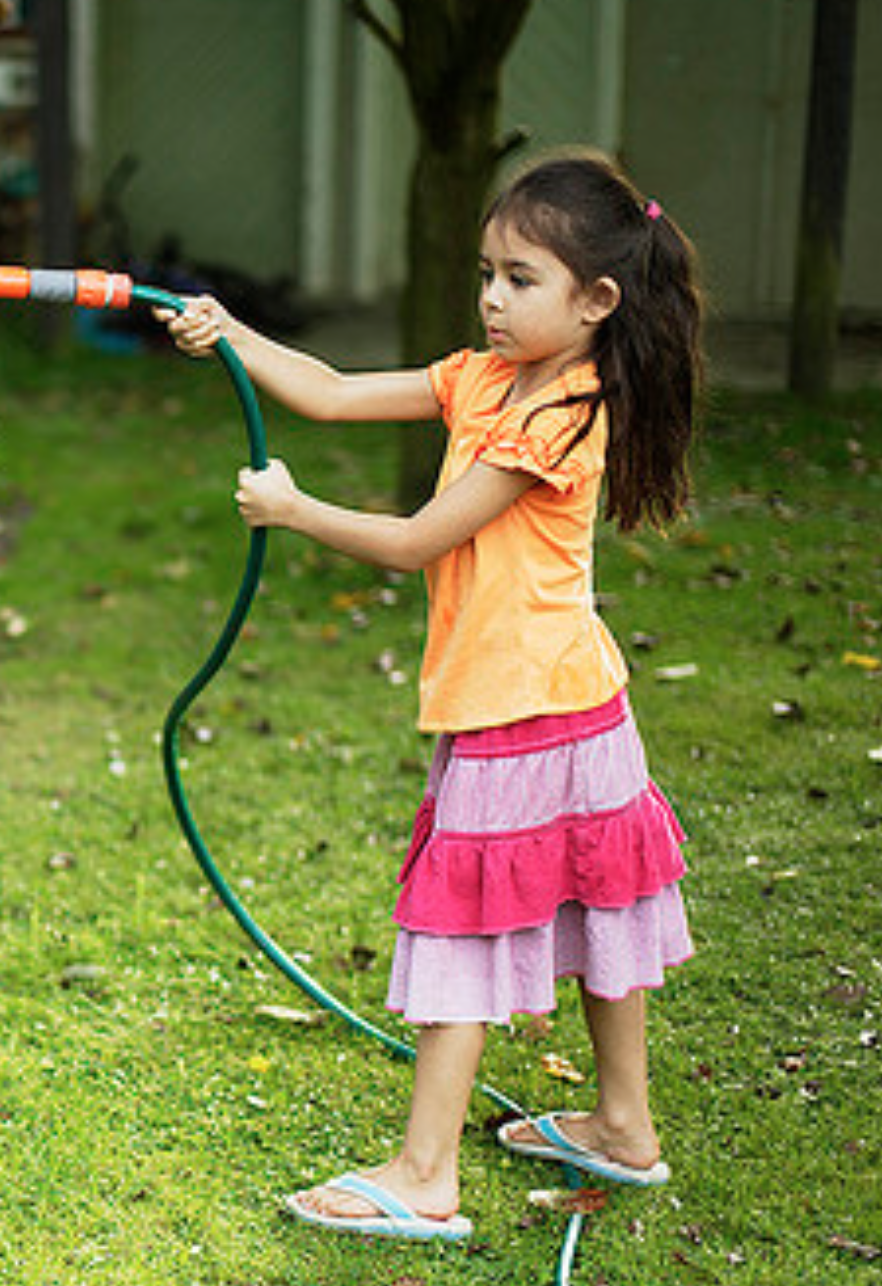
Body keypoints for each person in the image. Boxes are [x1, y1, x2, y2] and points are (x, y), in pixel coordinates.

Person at [157, 150, 702, 1242]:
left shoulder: (558, 416)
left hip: (522, 713)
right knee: (596, 905)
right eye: (485, 274)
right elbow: (332, 390)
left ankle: (423, 1172)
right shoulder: (487, 379)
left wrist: (295, 510)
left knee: (463, 923)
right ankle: (621, 1124)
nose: (492, 299)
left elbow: (414, 541)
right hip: (567, 702)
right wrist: (230, 332)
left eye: (519, 280)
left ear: (595, 302)